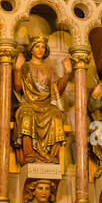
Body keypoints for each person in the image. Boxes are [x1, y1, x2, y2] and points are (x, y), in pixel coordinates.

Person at [12, 36, 71, 164]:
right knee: (26, 115)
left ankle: (53, 155)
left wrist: (67, 73)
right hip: (29, 104)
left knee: (56, 116)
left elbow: (57, 90)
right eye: (37, 46)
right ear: (31, 49)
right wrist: (17, 69)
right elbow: (17, 87)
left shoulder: (49, 69)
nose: (40, 49)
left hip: (47, 105)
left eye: (43, 47)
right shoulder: (25, 67)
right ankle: (29, 155)